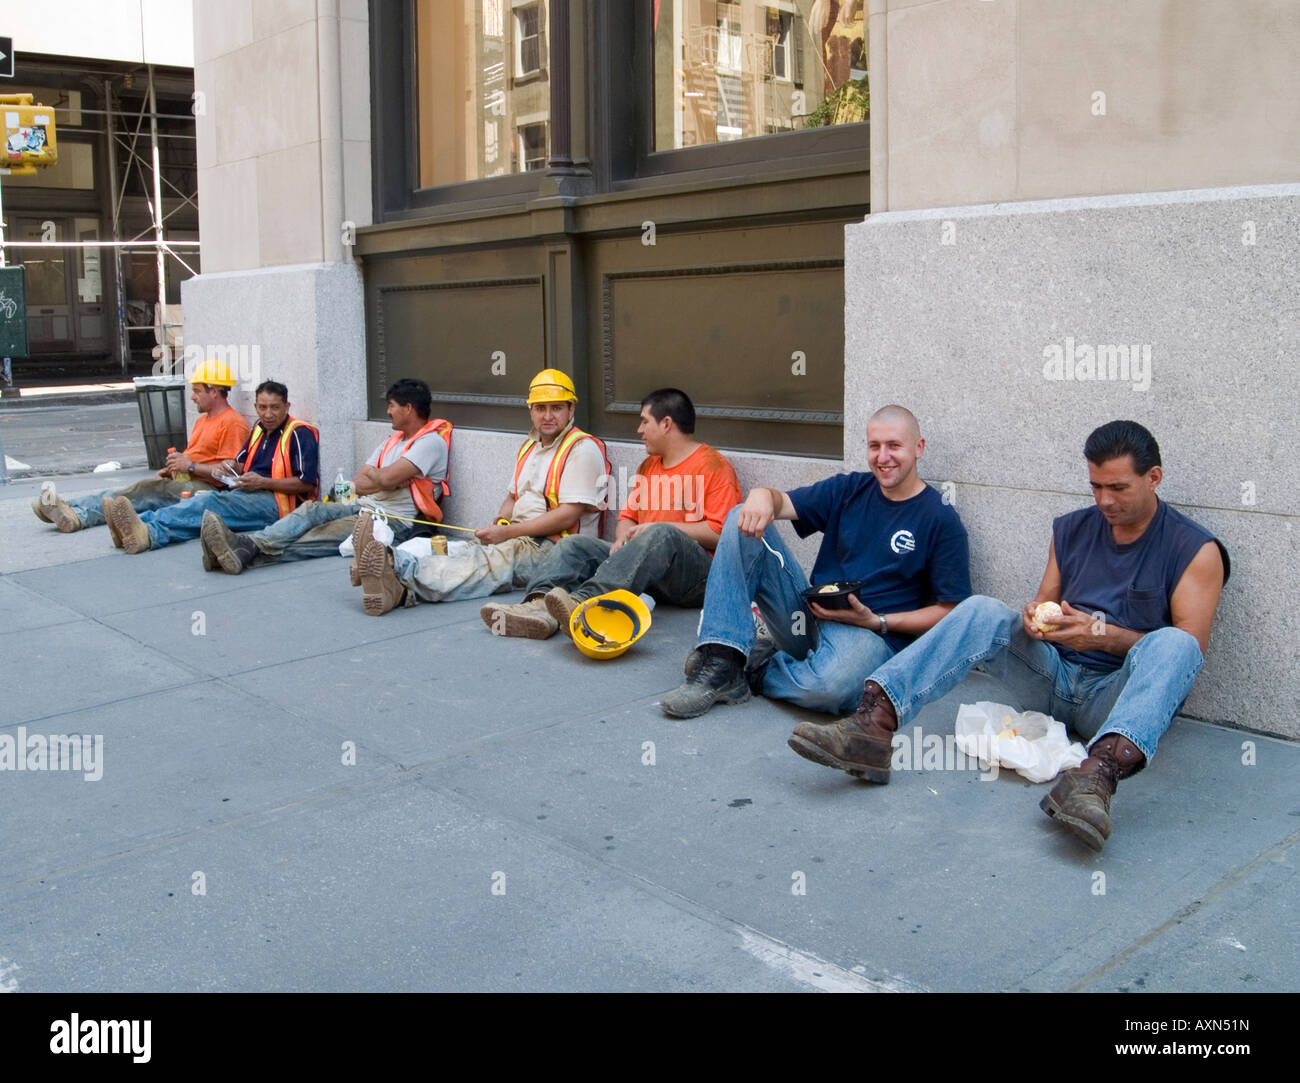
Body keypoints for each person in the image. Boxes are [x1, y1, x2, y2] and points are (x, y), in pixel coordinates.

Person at [787, 420, 1229, 853]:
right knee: (980, 609)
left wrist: (1102, 636)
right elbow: (1042, 604)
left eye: (1118, 488)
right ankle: (873, 723)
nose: (1104, 501)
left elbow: (1188, 654)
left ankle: (1094, 779)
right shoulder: (1072, 528)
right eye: (1095, 487)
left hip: (1112, 701)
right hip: (1050, 678)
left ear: (1154, 478)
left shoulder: (1194, 549)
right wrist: (1037, 619)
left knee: (1177, 643)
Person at [661, 405, 971, 719]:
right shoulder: (850, 489)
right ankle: (721, 658)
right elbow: (783, 503)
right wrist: (763, 495)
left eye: (894, 446)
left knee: (829, 687)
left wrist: (878, 621)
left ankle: (755, 666)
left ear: (918, 448)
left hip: (872, 637)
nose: (883, 456)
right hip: (807, 618)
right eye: (874, 446)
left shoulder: (940, 518)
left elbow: (951, 610)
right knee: (740, 517)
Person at [480, 388, 741, 639]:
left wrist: (656, 529)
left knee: (663, 531)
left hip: (695, 581)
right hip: (644, 570)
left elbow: (720, 534)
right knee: (573, 544)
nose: (639, 430)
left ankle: (580, 605)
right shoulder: (649, 465)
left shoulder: (714, 466)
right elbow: (628, 517)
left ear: (666, 424)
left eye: (644, 422)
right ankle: (538, 609)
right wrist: (621, 540)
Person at [355, 368, 607, 615]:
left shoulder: (582, 449)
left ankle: (395, 572)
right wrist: (499, 521)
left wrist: (507, 532)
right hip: (519, 534)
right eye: (540, 408)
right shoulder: (530, 445)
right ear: (531, 411)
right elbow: (513, 497)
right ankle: (391, 573)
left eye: (557, 408)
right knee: (467, 552)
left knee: (481, 564)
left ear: (571, 409)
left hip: (553, 548)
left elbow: (568, 516)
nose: (548, 416)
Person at [197, 378, 449, 575]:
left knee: (316, 537)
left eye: (392, 405)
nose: (388, 411)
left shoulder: (429, 443)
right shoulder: (392, 440)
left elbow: (381, 480)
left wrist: (381, 477)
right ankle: (243, 547)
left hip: (393, 522)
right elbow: (360, 481)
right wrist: (382, 477)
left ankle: (237, 553)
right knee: (310, 512)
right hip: (363, 506)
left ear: (408, 408)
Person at [32, 360, 250, 539]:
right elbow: (197, 458)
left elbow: (228, 475)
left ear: (213, 391)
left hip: (208, 489)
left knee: (145, 492)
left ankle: (78, 515)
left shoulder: (232, 422)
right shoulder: (203, 421)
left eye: (197, 391)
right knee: (141, 489)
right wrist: (177, 467)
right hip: (190, 479)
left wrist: (190, 466)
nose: (192, 396)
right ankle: (67, 508)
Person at [106, 380, 319, 554]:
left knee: (208, 503)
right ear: (255, 407)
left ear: (286, 407)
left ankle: (144, 530)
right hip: (248, 492)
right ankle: (138, 528)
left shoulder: (300, 433)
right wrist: (229, 465)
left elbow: (306, 484)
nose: (268, 414)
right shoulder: (259, 428)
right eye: (262, 407)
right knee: (201, 508)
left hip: (278, 504)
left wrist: (263, 482)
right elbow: (242, 462)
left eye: (275, 407)